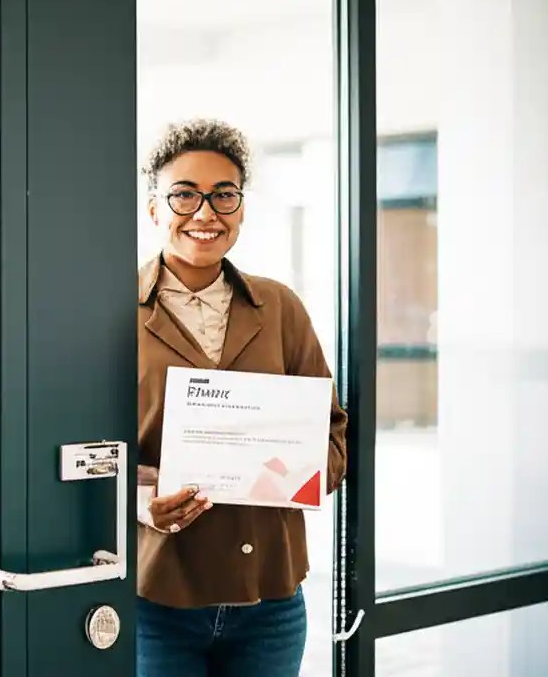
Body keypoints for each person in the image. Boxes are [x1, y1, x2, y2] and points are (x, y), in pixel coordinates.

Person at [135, 118, 349, 676]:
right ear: (155, 208)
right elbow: (87, 450)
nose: (205, 213)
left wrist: (298, 470)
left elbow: (332, 433)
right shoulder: (110, 313)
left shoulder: (280, 308)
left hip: (271, 602)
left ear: (242, 208)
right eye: (184, 195)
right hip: (157, 602)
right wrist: (140, 501)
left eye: (223, 195)